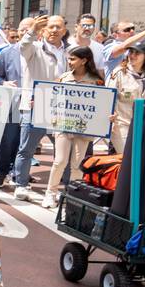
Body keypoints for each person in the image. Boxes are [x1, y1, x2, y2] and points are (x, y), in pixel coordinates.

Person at [12, 14, 68, 202]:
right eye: (50, 27)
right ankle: (21, 184)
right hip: (35, 105)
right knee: (26, 148)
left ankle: (66, 188)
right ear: (43, 31)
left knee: (63, 151)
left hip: (61, 108)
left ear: (65, 31)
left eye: (58, 27)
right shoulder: (34, 48)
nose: (54, 30)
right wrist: (32, 30)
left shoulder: (70, 53)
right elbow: (23, 46)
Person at [42, 45, 105, 210]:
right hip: (63, 124)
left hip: (84, 128)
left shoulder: (97, 81)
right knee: (59, 161)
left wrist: (107, 117)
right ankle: (51, 193)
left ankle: (72, 197)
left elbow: (102, 104)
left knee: (77, 164)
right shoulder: (63, 78)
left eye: (73, 59)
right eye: (69, 58)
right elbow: (53, 100)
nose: (69, 62)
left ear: (84, 60)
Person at [0, 17, 35, 189]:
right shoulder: (7, 53)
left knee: (27, 142)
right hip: (14, 104)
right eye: (22, 29)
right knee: (8, 139)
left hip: (36, 104)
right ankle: (2, 173)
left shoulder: (41, 52)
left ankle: (20, 174)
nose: (24, 32)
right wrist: (3, 83)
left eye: (29, 29)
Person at [105, 40, 145, 154]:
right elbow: (108, 98)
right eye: (131, 51)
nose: (132, 55)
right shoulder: (119, 73)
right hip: (122, 125)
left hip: (144, 125)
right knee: (128, 158)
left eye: (137, 53)